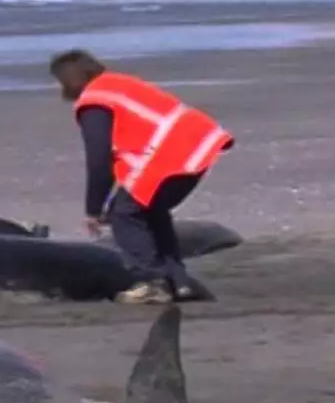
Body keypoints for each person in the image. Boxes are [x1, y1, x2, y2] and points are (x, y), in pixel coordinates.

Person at [48, 49, 235, 305]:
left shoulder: (95, 100)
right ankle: (178, 282)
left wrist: (93, 210)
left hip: (169, 151)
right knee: (149, 211)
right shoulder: (120, 84)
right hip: (198, 144)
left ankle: (150, 282)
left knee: (124, 214)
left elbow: (99, 159)